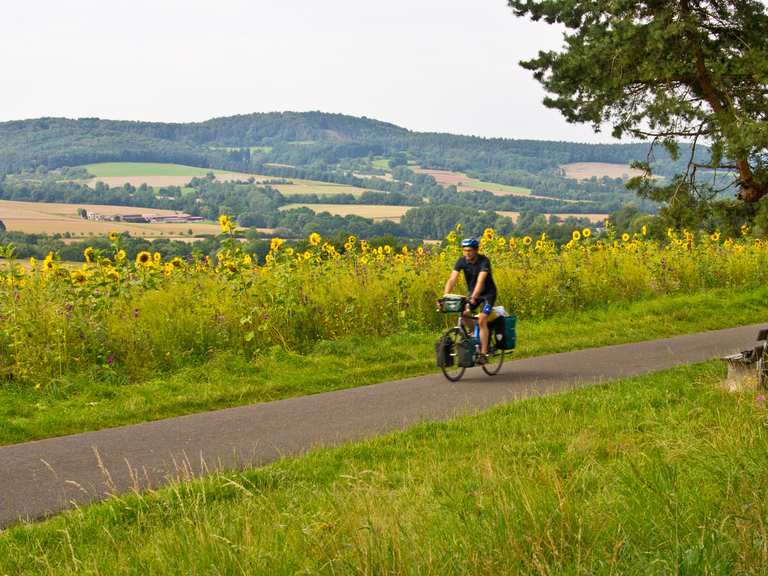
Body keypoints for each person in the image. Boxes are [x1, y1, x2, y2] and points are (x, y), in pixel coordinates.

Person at [442, 237, 497, 364]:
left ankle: (483, 353)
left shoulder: (484, 261)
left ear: (476, 250)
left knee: (482, 319)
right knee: (465, 313)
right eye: (465, 250)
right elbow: (452, 279)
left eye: (470, 250)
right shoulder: (461, 261)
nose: (467, 253)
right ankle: (473, 333)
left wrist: (473, 297)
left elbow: (480, 281)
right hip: (473, 294)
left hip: (488, 294)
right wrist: (445, 296)